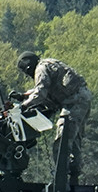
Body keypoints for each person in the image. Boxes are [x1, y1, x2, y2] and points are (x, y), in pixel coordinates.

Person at [17, 51, 91, 184]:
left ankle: (61, 182)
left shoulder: (40, 68)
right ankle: (73, 179)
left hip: (73, 102)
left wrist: (23, 106)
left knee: (62, 141)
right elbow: (46, 89)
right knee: (73, 142)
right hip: (81, 98)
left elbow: (40, 92)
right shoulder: (48, 64)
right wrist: (24, 96)